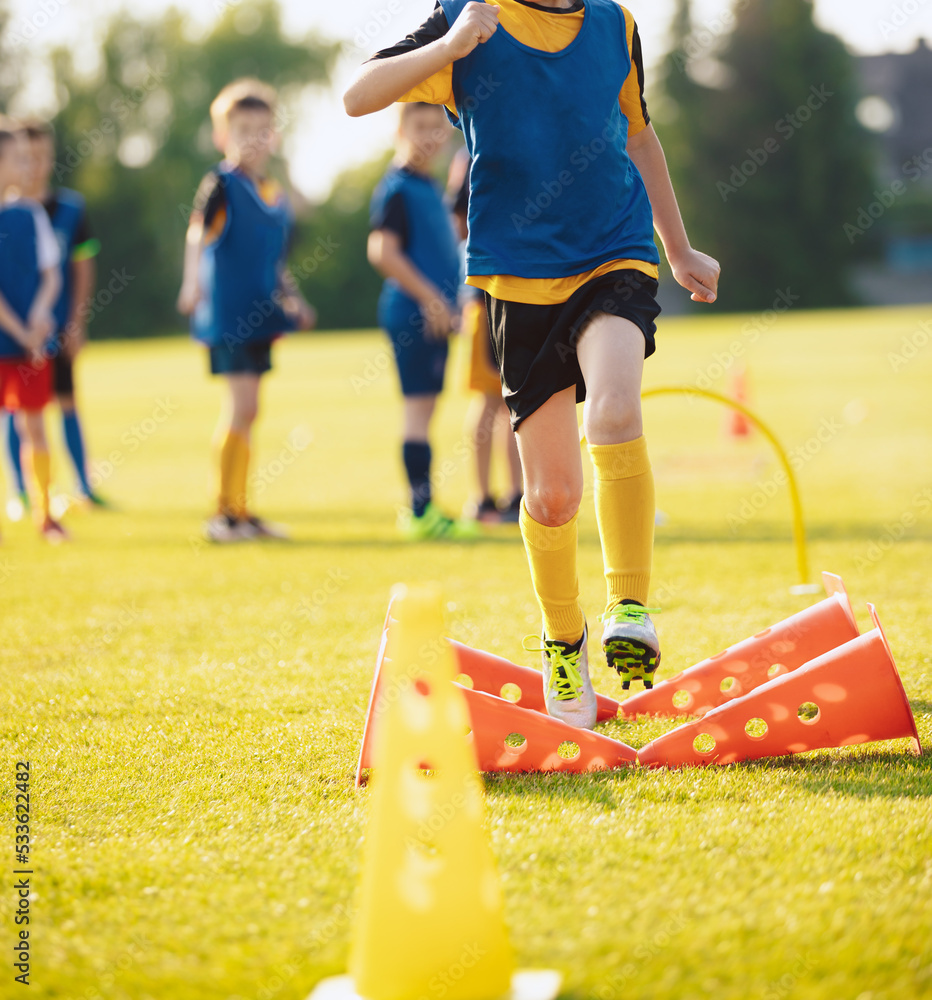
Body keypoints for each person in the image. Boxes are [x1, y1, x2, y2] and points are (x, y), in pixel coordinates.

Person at [345, 0, 720, 727]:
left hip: (615, 252)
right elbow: (358, 96)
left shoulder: (618, 26)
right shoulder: (468, 18)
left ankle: (630, 604)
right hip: (516, 279)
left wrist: (676, 249)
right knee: (551, 497)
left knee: (614, 409)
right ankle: (563, 637)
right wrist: (451, 46)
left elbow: (641, 139)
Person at [177, 78, 314, 543]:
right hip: (228, 316)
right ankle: (224, 515)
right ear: (222, 136)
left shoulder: (273, 194)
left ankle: (241, 509)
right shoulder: (221, 183)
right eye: (242, 129)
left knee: (250, 412)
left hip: (261, 316)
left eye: (262, 128)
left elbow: (274, 261)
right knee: (241, 408)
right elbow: (198, 233)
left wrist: (293, 298)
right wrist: (191, 282)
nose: (253, 138)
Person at [368, 101, 475, 540]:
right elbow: (381, 252)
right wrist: (432, 300)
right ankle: (418, 512)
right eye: (420, 126)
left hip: (435, 317)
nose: (430, 135)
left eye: (437, 127)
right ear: (400, 130)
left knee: (427, 410)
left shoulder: (430, 186)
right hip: (411, 314)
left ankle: (426, 507)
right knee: (417, 411)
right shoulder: (397, 188)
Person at [5, 119, 103, 517]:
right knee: (16, 414)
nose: (35, 165)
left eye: (42, 157)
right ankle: (22, 494)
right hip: (12, 335)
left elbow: (78, 267)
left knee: (62, 402)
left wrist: (73, 321)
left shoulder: (67, 208)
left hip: (51, 329)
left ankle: (81, 487)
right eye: (25, 158)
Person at [447, 148, 522, 524]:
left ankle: (515, 493)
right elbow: (459, 219)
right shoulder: (474, 152)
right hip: (483, 297)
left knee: (511, 402)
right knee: (491, 401)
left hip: (513, 295)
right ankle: (482, 498)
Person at [0, 122, 67, 541]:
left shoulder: (31, 215)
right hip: (11, 337)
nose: (25, 166)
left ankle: (45, 513)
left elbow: (52, 275)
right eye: (15, 159)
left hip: (28, 345)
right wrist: (18, 330)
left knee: (34, 426)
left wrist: (39, 315)